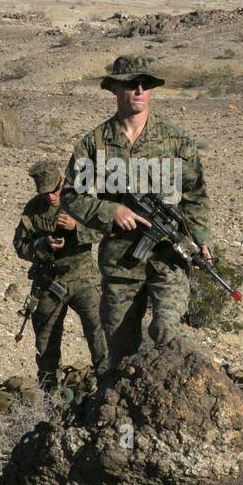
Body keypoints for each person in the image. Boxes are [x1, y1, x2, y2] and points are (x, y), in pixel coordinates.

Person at [61, 55, 210, 366]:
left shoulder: (177, 141)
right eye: (131, 84)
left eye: (146, 84)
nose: (139, 90)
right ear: (115, 88)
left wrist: (200, 239)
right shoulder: (95, 144)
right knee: (119, 350)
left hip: (169, 257)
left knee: (167, 333)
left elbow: (195, 194)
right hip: (121, 263)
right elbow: (72, 195)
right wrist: (110, 211)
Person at [13, 160, 107, 390]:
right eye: (45, 193)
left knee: (99, 331)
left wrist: (77, 227)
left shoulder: (81, 201)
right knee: (45, 343)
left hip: (83, 279)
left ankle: (108, 384)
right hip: (48, 283)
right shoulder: (33, 209)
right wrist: (43, 245)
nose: (51, 198)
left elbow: (103, 231)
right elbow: (20, 245)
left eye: (54, 191)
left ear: (62, 182)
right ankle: (50, 398)